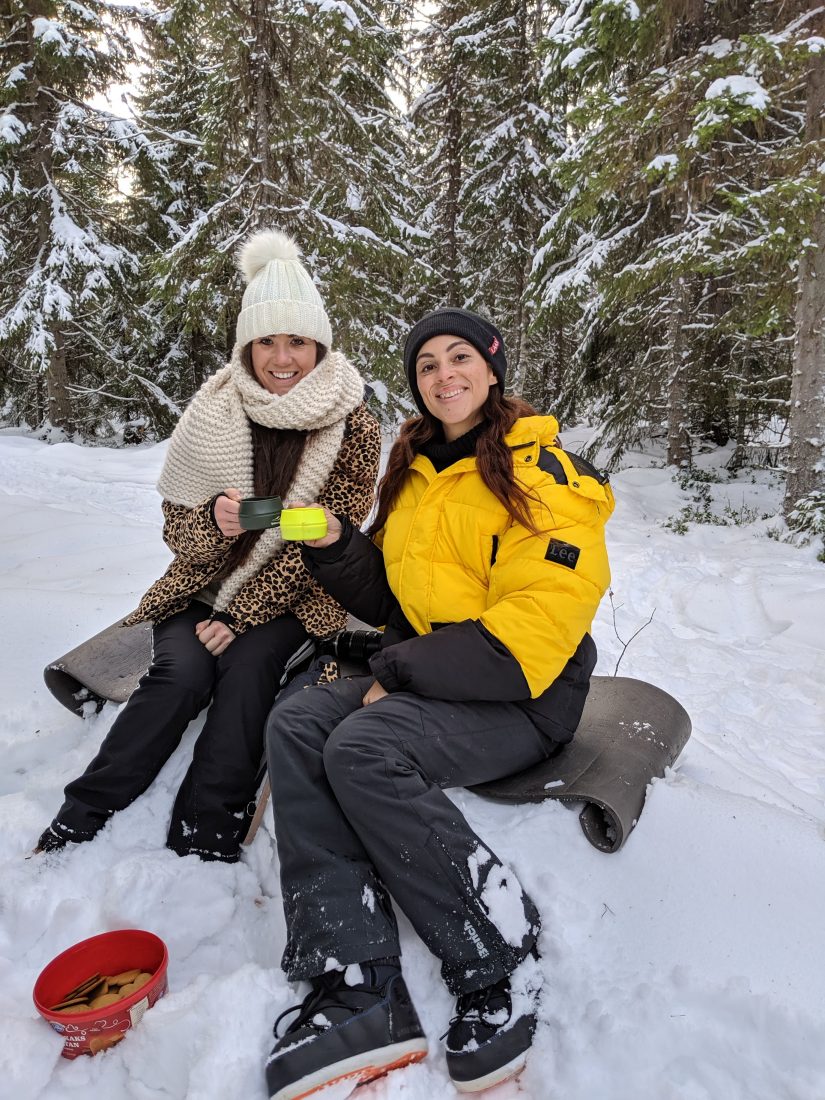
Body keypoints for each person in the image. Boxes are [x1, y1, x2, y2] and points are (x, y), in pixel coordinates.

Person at [262, 308, 615, 1099]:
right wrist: (332, 544)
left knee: (362, 744)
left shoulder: (545, 475)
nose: (443, 374)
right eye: (426, 365)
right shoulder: (421, 468)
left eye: (460, 358)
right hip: (437, 676)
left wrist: (402, 674)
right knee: (298, 722)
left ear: (492, 371)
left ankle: (498, 954)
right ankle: (353, 978)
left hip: (522, 694)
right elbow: (397, 596)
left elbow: (534, 629)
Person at [35, 229, 380, 863]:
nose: (282, 358)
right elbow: (177, 524)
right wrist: (211, 526)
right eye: (266, 341)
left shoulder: (352, 420)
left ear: (319, 345)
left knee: (249, 674)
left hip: (290, 594)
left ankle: (208, 827)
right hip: (201, 584)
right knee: (178, 674)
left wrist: (239, 614)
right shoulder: (216, 408)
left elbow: (330, 532)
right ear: (246, 346)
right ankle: (83, 813)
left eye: (297, 341)